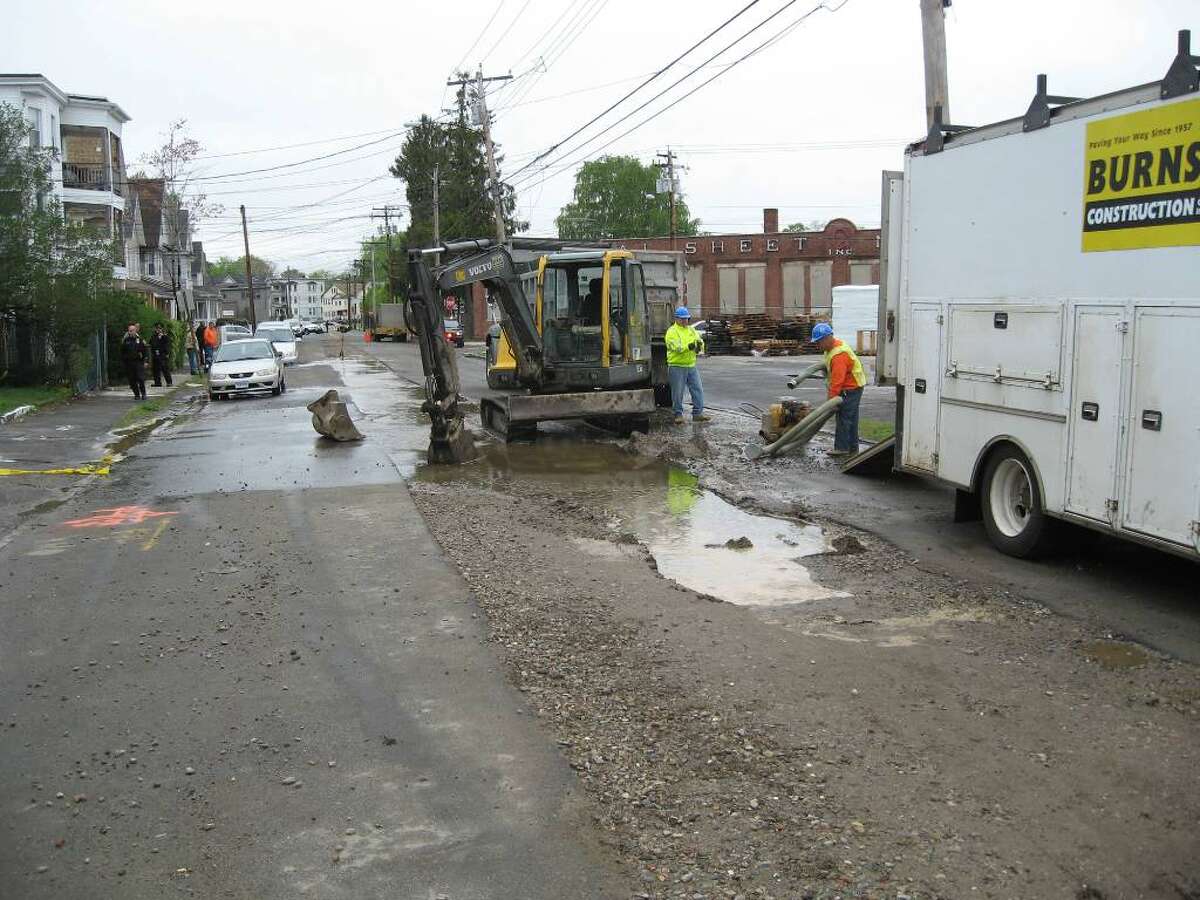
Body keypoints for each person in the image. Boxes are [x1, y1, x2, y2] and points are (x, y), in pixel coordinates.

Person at [811, 322, 867, 456]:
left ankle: (842, 448)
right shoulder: (833, 348)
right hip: (854, 386)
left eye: (818, 342)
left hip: (850, 388)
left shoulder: (839, 356)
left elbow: (837, 381)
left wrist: (830, 402)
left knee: (844, 419)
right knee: (851, 419)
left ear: (827, 338)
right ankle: (852, 448)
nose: (817, 345)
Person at [664, 306, 710, 425]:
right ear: (677, 319)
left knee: (697, 389)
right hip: (676, 366)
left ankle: (697, 414)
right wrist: (689, 347)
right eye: (682, 319)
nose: (685, 321)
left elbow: (699, 341)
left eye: (687, 319)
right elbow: (675, 347)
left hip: (690, 365)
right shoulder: (672, 331)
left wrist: (700, 346)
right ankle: (678, 415)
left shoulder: (691, 330)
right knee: (678, 392)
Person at [119, 323, 148, 400]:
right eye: (129, 331)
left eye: (132, 330)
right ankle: (137, 394)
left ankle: (143, 394)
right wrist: (124, 361)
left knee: (140, 378)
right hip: (129, 363)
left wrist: (145, 361)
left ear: (135, 331)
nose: (131, 332)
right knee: (132, 380)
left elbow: (145, 351)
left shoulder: (140, 340)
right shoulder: (126, 341)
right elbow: (122, 352)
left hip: (138, 362)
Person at [149, 322, 174, 387]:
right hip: (155, 355)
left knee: (165, 368)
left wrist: (167, 353)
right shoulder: (153, 336)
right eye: (157, 328)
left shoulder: (165, 336)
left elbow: (167, 345)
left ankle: (169, 382)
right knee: (155, 369)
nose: (158, 329)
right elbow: (151, 343)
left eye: (159, 328)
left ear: (162, 329)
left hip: (162, 355)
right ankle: (157, 382)